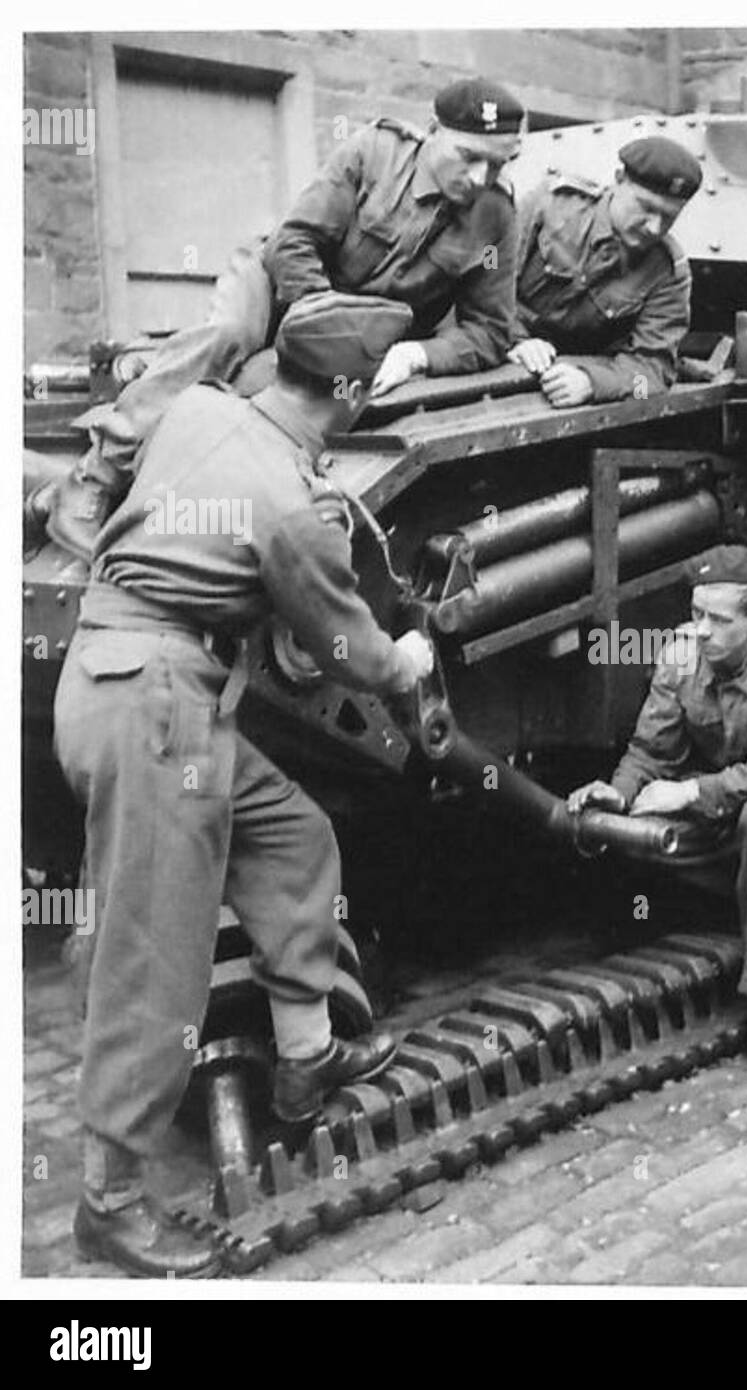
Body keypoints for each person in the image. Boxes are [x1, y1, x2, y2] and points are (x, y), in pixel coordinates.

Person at [54, 292, 437, 1278]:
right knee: (154, 960)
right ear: (347, 393)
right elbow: (346, 649)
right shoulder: (295, 511)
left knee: (292, 835)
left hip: (129, 679)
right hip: (157, 706)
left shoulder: (206, 408)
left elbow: (137, 418)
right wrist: (405, 657)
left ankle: (307, 1057)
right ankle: (110, 1202)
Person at [46, 76, 526, 560]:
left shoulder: (495, 216)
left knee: (254, 395)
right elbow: (294, 241)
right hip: (278, 282)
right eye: (469, 156)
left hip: (356, 342)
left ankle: (158, 515)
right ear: (433, 132)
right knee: (227, 339)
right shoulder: (375, 151)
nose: (482, 177)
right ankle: (93, 479)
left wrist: (417, 354)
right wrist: (325, 326)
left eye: (499, 163)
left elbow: (489, 330)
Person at [567, 545, 747, 1071]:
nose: (701, 630)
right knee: (627, 822)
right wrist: (619, 795)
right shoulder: (683, 653)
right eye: (695, 614)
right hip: (718, 800)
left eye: (718, 619)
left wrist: (690, 794)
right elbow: (651, 751)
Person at [507, 136, 700, 407]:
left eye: (669, 217)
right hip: (499, 355)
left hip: (565, 387)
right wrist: (514, 338)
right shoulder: (547, 205)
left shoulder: (669, 273)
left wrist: (594, 384)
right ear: (618, 179)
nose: (654, 228)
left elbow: (653, 377)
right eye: (646, 208)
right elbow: (486, 270)